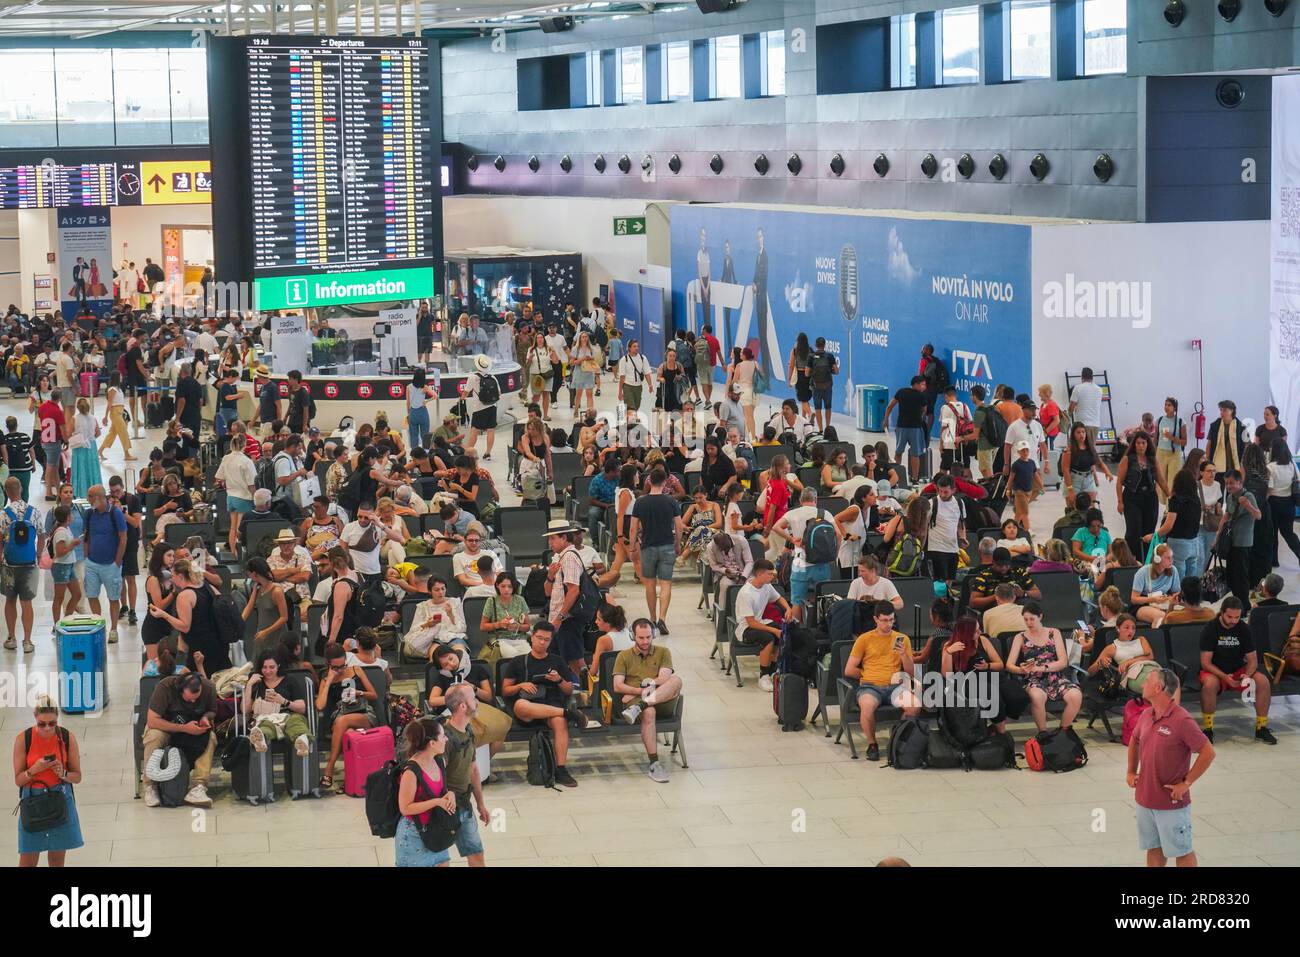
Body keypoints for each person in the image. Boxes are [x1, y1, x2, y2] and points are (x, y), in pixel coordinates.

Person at [1128, 667, 1215, 868]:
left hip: (1171, 804)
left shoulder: (1181, 719)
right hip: (1145, 800)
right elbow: (1135, 740)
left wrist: (1186, 783)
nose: (1143, 684)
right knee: (1154, 848)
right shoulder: (1146, 714)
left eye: (1147, 681)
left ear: (1158, 687)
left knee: (1181, 851)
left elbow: (1208, 752)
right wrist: (1131, 771)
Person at [501, 622, 597, 788]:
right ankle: (568, 713)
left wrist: (559, 680)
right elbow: (506, 690)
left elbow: (568, 690)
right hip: (529, 709)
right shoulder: (518, 661)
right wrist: (520, 685)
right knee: (521, 705)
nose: (542, 642)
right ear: (532, 638)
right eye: (539, 638)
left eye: (546, 639)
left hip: (552, 705)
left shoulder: (557, 661)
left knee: (559, 722)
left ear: (551, 641)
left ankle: (560, 769)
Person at [844, 601, 923, 762]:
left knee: (914, 706)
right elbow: (849, 669)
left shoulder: (902, 639)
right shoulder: (864, 639)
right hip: (870, 686)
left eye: (891, 620)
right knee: (867, 706)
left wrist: (904, 656)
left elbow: (911, 672)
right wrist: (867, 674)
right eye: (884, 620)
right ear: (876, 619)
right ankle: (872, 744)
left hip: (895, 686)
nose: (888, 624)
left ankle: (898, 738)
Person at [12, 696, 83, 867]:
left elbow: (77, 776)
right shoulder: (24, 739)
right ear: (35, 717)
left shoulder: (66, 737)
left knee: (57, 859)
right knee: (28, 859)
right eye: (42, 724)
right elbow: (18, 780)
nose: (47, 728)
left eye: (52, 723)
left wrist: (62, 773)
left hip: (59, 798)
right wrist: (34, 770)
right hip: (32, 801)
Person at [613, 618, 684, 783]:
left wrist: (645, 689)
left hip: (659, 699)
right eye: (641, 638)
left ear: (654, 635)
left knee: (676, 680)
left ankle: (641, 705)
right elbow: (617, 686)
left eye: (648, 637)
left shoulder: (663, 652)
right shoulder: (623, 656)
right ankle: (654, 763)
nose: (645, 641)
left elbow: (664, 678)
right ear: (633, 636)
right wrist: (640, 690)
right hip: (642, 701)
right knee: (649, 712)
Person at [1197, 597, 1277, 744]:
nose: (1233, 620)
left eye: (1237, 617)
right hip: (1214, 671)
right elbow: (1205, 663)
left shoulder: (1243, 628)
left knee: (1262, 681)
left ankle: (1261, 728)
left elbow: (1252, 660)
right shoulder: (1210, 628)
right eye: (1229, 617)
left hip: (1238, 670)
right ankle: (1208, 729)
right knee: (1209, 685)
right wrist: (1224, 677)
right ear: (1221, 613)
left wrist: (1248, 674)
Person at [141, 671, 217, 808]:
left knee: (210, 737)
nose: (193, 701)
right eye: (189, 699)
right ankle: (149, 785)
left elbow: (212, 711)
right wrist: (184, 728)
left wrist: (205, 718)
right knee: (154, 736)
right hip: (165, 726)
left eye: (196, 698)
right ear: (180, 691)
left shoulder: (209, 687)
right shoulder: (165, 688)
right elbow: (152, 721)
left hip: (192, 727)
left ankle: (198, 787)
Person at [1006, 600, 1082, 733]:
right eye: (1026, 620)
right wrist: (1021, 669)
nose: (1029, 623)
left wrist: (1042, 668)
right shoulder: (1020, 637)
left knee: (1076, 695)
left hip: (1055, 676)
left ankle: (1063, 730)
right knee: (1037, 696)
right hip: (1032, 679)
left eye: (1032, 619)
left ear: (1040, 616)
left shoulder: (1054, 633)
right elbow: (1009, 665)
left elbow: (1063, 662)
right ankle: (1043, 732)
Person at [315, 642, 379, 791]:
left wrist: (358, 693)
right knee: (348, 734)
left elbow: (374, 695)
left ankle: (329, 768)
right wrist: (330, 680)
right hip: (340, 716)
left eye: (342, 665)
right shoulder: (326, 679)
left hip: (362, 714)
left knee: (343, 721)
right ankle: (350, 781)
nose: (340, 670)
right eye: (335, 667)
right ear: (328, 665)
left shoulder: (356, 670)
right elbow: (319, 705)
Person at [394, 717, 456, 867]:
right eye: (443, 736)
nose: (446, 739)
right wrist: (437, 802)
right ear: (432, 743)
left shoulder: (439, 761)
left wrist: (450, 795)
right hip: (414, 835)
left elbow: (440, 791)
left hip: (436, 828)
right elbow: (405, 807)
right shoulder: (411, 771)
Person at [629, 467, 684, 636]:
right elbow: (679, 525)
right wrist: (678, 543)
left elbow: (633, 528)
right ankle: (662, 618)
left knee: (650, 584)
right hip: (667, 545)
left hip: (648, 547)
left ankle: (652, 619)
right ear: (665, 481)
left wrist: (632, 547)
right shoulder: (671, 502)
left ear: (649, 481)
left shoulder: (640, 502)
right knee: (666, 584)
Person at [734, 560, 796, 693]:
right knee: (768, 637)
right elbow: (751, 623)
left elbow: (779, 598)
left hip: (761, 622)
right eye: (769, 574)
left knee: (783, 634)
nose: (772, 577)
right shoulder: (746, 593)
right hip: (746, 628)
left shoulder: (766, 586)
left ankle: (774, 670)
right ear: (760, 574)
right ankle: (763, 675)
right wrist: (773, 630)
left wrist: (788, 609)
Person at [241, 645, 312, 757]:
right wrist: (249, 685)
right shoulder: (256, 682)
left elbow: (302, 708)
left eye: (271, 667)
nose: (268, 671)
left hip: (288, 715)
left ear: (278, 666)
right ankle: (260, 739)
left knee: (296, 722)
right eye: (264, 667)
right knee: (265, 726)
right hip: (266, 717)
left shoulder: (289, 681)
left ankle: (302, 739)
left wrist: (283, 701)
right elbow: (245, 710)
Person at [0, 477, 43, 653]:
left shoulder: (3, 514)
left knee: (10, 600)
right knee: (27, 602)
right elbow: (42, 535)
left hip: (9, 564)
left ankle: (11, 637)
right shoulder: (34, 512)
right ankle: (27, 641)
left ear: (7, 492)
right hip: (29, 563)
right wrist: (38, 555)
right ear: (21, 490)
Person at [81, 484, 126, 645]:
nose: (88, 499)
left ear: (100, 497)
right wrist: (86, 558)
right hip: (92, 563)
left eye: (90, 496)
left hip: (111, 565)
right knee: (91, 595)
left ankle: (113, 629)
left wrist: (117, 562)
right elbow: (87, 536)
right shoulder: (88, 514)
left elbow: (123, 537)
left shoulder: (116, 513)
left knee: (113, 597)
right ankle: (99, 626)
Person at [1116, 431, 1168, 560]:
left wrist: (1171, 496)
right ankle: (1130, 558)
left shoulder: (1152, 458)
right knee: (1134, 530)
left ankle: (1146, 558)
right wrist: (1120, 501)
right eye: (1138, 443)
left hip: (1150, 497)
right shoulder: (1127, 459)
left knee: (1149, 531)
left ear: (1147, 444)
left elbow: (1160, 479)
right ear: (1134, 444)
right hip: (1132, 497)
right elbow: (1119, 482)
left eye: (1143, 443)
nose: (1141, 446)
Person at [1214, 470, 1262, 605]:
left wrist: (1248, 505)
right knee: (1231, 575)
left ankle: (1244, 605)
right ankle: (1236, 603)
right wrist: (1217, 536)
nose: (1228, 486)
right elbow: (1226, 516)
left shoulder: (1248, 496)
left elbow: (1258, 515)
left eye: (1232, 483)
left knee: (1241, 575)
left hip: (1243, 542)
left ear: (1240, 483)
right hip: (1230, 542)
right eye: (1226, 483)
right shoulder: (1230, 497)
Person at [215, 434, 256, 556]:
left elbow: (218, 477)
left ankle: (233, 553)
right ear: (245, 445)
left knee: (232, 528)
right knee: (240, 529)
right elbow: (251, 484)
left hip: (230, 497)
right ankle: (240, 555)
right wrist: (255, 497)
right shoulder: (246, 461)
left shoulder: (226, 458)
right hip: (243, 497)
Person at [884, 375, 929, 483]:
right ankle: (915, 479)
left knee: (898, 452)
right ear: (916, 384)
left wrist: (886, 419)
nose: (924, 387)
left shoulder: (901, 392)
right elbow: (924, 410)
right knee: (915, 454)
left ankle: (896, 477)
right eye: (922, 384)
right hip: (915, 428)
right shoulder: (921, 396)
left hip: (901, 427)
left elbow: (890, 406)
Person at [242, 556, 291, 650]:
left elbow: (284, 618)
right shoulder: (257, 588)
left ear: (254, 573)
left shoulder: (277, 591)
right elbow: (249, 606)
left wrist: (266, 632)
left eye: (249, 574)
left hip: (276, 635)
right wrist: (240, 621)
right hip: (262, 634)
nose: (249, 577)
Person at [1266, 438, 1300, 567]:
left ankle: (1273, 561)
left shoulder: (1270, 467)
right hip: (1289, 503)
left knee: (1272, 533)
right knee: (1288, 533)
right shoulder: (1292, 464)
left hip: (1274, 503)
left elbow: (1269, 489)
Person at [1131, 543, 1181, 628]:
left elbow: (1176, 592)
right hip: (1143, 604)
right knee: (1161, 617)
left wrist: (1173, 599)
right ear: (1157, 559)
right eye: (1168, 558)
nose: (1171, 560)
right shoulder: (1142, 572)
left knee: (1183, 616)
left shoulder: (1173, 570)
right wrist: (1153, 599)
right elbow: (1134, 599)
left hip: (1163, 602)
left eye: (1172, 557)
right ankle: (1157, 639)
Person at [463, 354, 498, 461]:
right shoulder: (493, 377)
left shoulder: (473, 377)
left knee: (474, 431)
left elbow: (466, 392)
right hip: (492, 406)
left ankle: (468, 454)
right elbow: (499, 393)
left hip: (479, 408)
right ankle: (488, 453)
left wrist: (461, 398)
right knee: (490, 430)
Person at [1153, 397, 1187, 504]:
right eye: (1165, 404)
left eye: (1169, 405)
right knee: (1160, 479)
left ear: (1174, 407)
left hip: (1175, 454)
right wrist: (1152, 453)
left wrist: (1172, 438)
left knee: (1173, 480)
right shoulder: (1159, 420)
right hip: (1161, 452)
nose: (1166, 407)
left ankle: (1171, 504)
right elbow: (1155, 439)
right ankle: (1161, 504)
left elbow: (1184, 442)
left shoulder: (1181, 422)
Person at [1205, 399, 1248, 481]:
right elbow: (1209, 443)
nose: (1221, 412)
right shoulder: (1215, 425)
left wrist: (1243, 462)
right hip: (1217, 463)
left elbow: (1247, 445)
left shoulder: (1241, 427)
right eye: (1220, 410)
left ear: (1232, 411)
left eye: (1224, 410)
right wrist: (1207, 461)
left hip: (1234, 463)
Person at [98, 372, 133, 461]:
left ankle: (100, 450)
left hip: (120, 411)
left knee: (112, 433)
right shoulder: (112, 389)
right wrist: (105, 416)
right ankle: (127, 454)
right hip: (115, 413)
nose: (122, 377)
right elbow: (109, 403)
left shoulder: (119, 389)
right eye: (120, 376)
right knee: (123, 432)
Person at [37, 388, 65, 502]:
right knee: (50, 467)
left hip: (44, 440)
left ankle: (59, 491)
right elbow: (63, 430)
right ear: (60, 399)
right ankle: (48, 492)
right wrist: (67, 441)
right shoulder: (58, 411)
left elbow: (41, 418)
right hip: (53, 441)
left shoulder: (42, 407)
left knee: (54, 467)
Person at [1068, 367, 1104, 447]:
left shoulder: (1078, 388)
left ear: (1082, 377)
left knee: (1078, 449)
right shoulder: (1099, 390)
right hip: (1095, 424)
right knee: (1091, 450)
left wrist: (1068, 415)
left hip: (1081, 424)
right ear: (1092, 377)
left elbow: (1071, 408)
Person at [3, 416, 34, 503]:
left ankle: (9, 509)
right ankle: (23, 510)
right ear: (17, 425)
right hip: (24, 469)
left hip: (10, 470)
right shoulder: (25, 437)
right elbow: (32, 452)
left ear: (6, 426)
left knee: (8, 491)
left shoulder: (4, 439)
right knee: (24, 491)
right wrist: (33, 465)